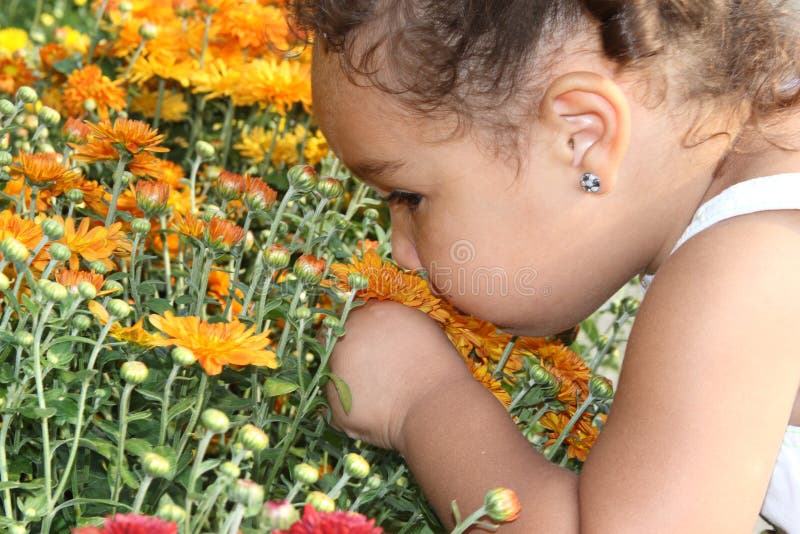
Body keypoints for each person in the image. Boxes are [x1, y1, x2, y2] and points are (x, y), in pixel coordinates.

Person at [288, 1, 800, 531]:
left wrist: (419, 396)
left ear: (582, 138)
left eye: (409, 197)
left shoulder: (748, 267)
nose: (402, 253)